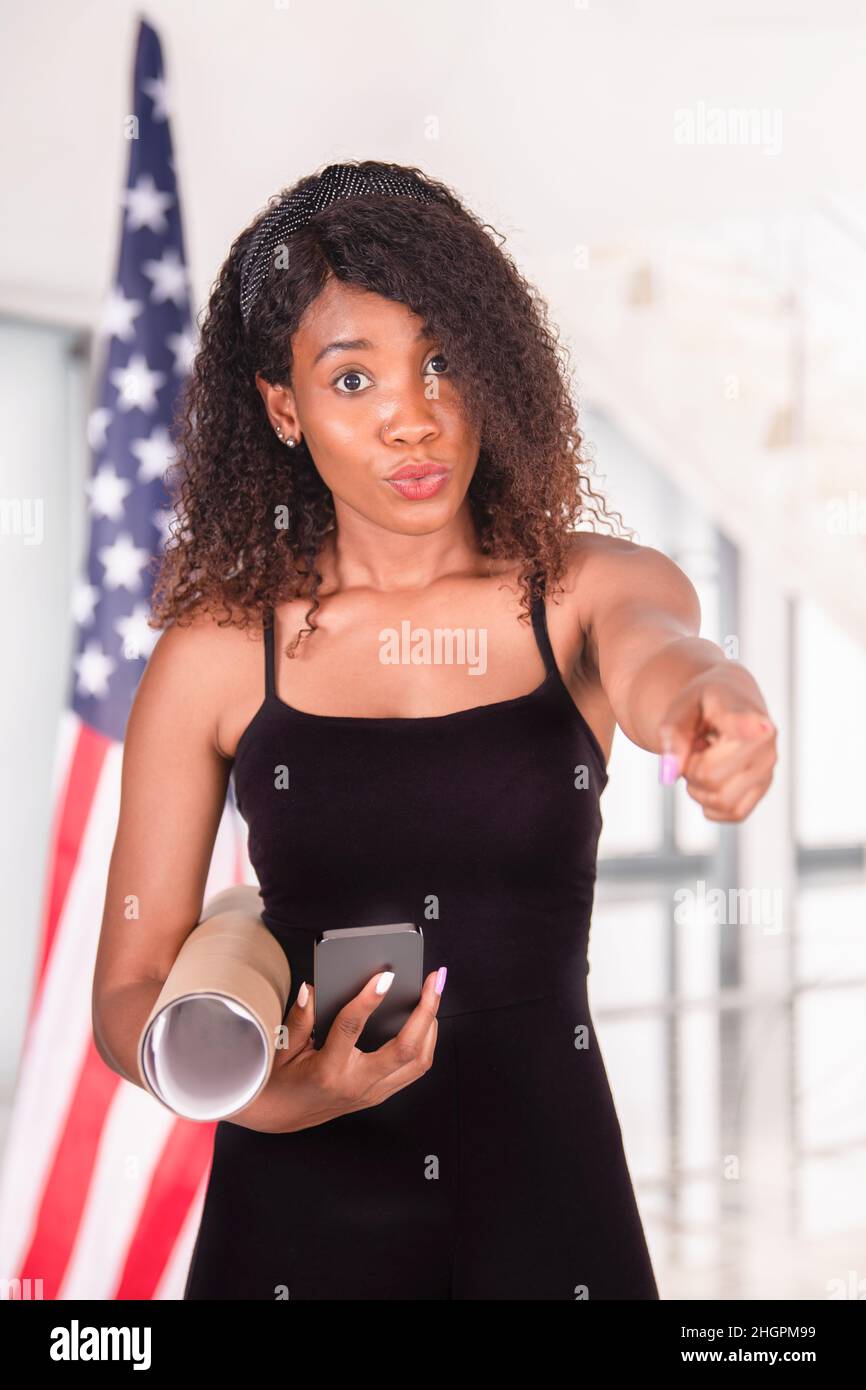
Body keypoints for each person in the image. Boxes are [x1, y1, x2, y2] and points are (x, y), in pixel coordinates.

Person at [92, 160, 778, 1300]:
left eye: (442, 361)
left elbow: (665, 656)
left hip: (547, 1200)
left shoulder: (586, 587)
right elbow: (131, 987)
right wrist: (275, 1096)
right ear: (281, 406)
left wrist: (712, 703)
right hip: (292, 1219)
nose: (413, 415)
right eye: (350, 378)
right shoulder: (214, 652)